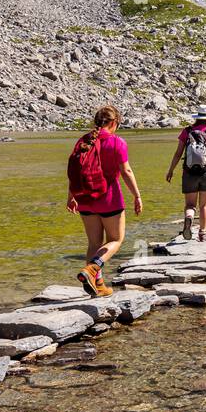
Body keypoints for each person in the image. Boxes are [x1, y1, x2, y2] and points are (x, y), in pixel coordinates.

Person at [66, 104, 142, 297]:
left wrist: (71, 196)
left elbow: (76, 172)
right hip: (109, 199)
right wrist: (137, 195)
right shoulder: (117, 142)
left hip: (84, 198)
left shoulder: (84, 140)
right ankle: (93, 269)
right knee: (116, 239)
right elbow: (126, 171)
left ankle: (97, 286)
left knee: (93, 243)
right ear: (114, 122)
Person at [166, 104, 206, 242]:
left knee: (190, 205)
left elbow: (178, 154)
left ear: (197, 117)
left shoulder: (186, 132)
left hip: (189, 173)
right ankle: (203, 233)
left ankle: (189, 217)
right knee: (204, 205)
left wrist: (170, 170)